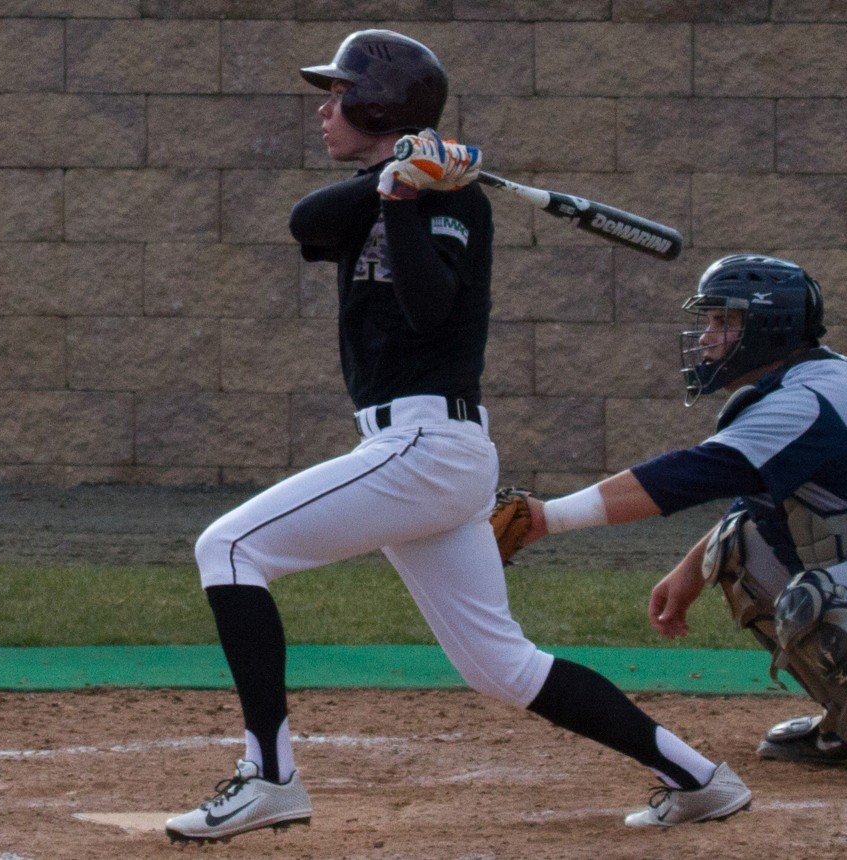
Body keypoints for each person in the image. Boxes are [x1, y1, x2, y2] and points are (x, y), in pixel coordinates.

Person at [164, 29, 752, 842]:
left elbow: (429, 309)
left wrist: (410, 199)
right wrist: (397, 178)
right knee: (501, 665)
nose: (324, 110)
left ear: (380, 102)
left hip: (425, 447)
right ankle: (699, 777)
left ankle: (271, 776)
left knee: (228, 548)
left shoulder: (458, 201)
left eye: (339, 94)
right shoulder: (379, 191)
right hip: (426, 457)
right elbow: (305, 221)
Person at [514, 253, 847, 795]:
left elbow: (687, 475)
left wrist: (547, 518)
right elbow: (761, 496)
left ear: (769, 328)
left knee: (823, 600)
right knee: (735, 549)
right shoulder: (811, 382)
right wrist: (691, 569)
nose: (707, 337)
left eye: (724, 321)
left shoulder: (807, 398)